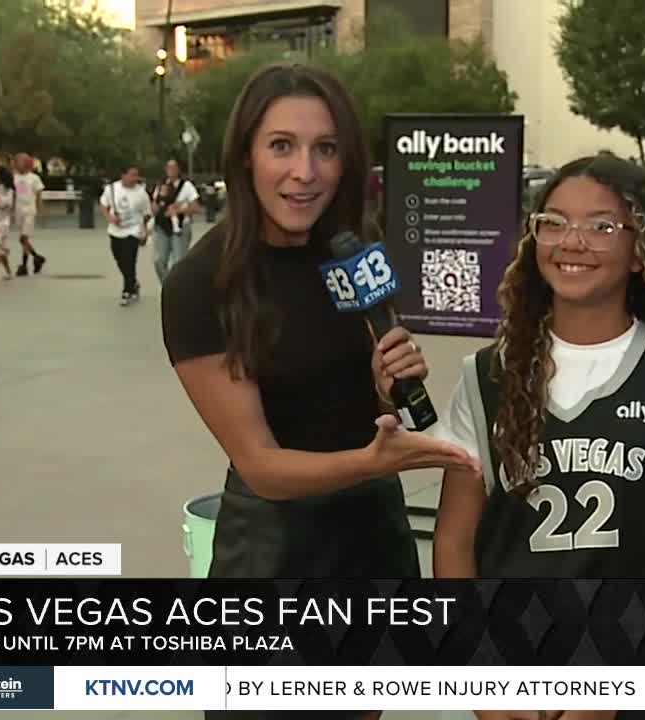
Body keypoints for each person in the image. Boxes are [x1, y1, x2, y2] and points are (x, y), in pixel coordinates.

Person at [161, 63, 477, 720]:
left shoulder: (355, 246)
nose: (305, 171)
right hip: (277, 546)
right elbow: (262, 465)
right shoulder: (201, 285)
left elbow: (364, 403)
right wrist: (372, 462)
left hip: (371, 533)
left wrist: (385, 388)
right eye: (282, 145)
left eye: (325, 149)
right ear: (246, 154)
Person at [433, 154, 645, 720]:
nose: (573, 241)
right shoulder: (485, 379)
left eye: (601, 227)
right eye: (554, 222)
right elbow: (453, 546)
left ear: (637, 252)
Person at [99, 164, 151, 306]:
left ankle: (127, 290)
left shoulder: (141, 192)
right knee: (119, 259)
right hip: (115, 230)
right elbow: (103, 205)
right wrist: (109, 218)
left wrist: (145, 230)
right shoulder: (112, 189)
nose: (135, 178)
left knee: (129, 260)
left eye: (136, 175)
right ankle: (133, 282)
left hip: (133, 230)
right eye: (132, 175)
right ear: (123, 175)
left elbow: (147, 213)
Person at [151, 159, 200, 284]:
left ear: (179, 169)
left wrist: (178, 210)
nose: (170, 170)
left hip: (180, 228)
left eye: (173, 167)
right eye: (168, 167)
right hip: (162, 227)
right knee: (159, 261)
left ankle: (177, 289)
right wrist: (154, 209)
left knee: (178, 263)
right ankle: (168, 286)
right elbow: (154, 204)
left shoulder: (186, 186)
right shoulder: (161, 184)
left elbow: (196, 208)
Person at [12, 153, 47, 276]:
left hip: (29, 211)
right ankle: (30, 262)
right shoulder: (14, 177)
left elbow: (38, 196)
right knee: (23, 240)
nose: (17, 164)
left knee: (23, 238)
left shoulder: (34, 178)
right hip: (18, 210)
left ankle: (34, 259)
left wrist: (41, 212)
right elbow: (13, 195)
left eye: (20, 161)